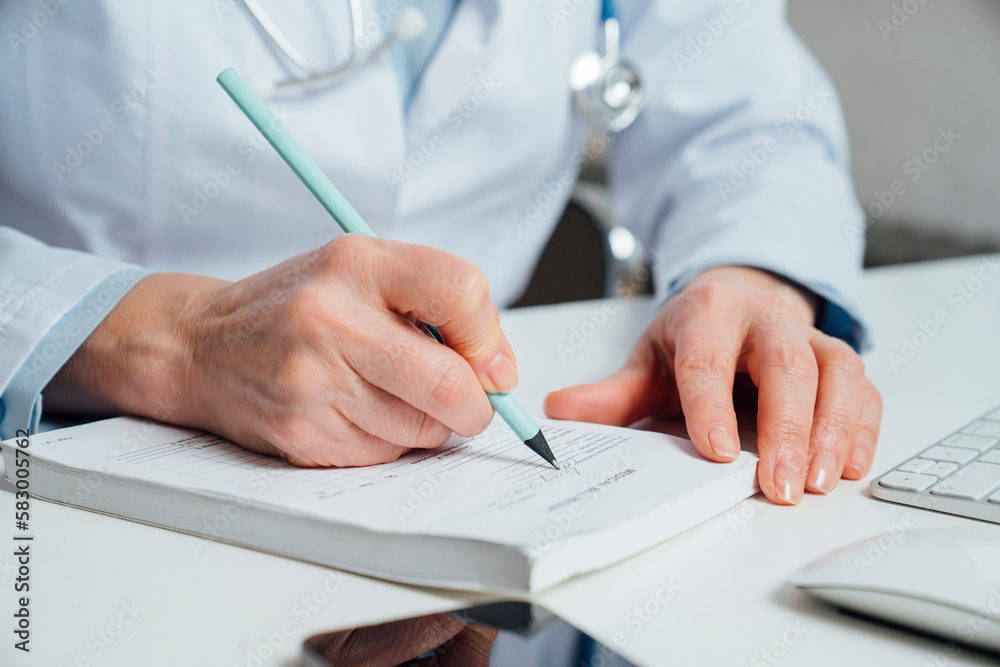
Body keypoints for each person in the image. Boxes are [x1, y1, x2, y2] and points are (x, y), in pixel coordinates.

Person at [0, 0, 880, 506]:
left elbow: (747, 120)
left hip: (457, 515)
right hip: (75, 488)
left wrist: (750, 275)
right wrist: (179, 338)